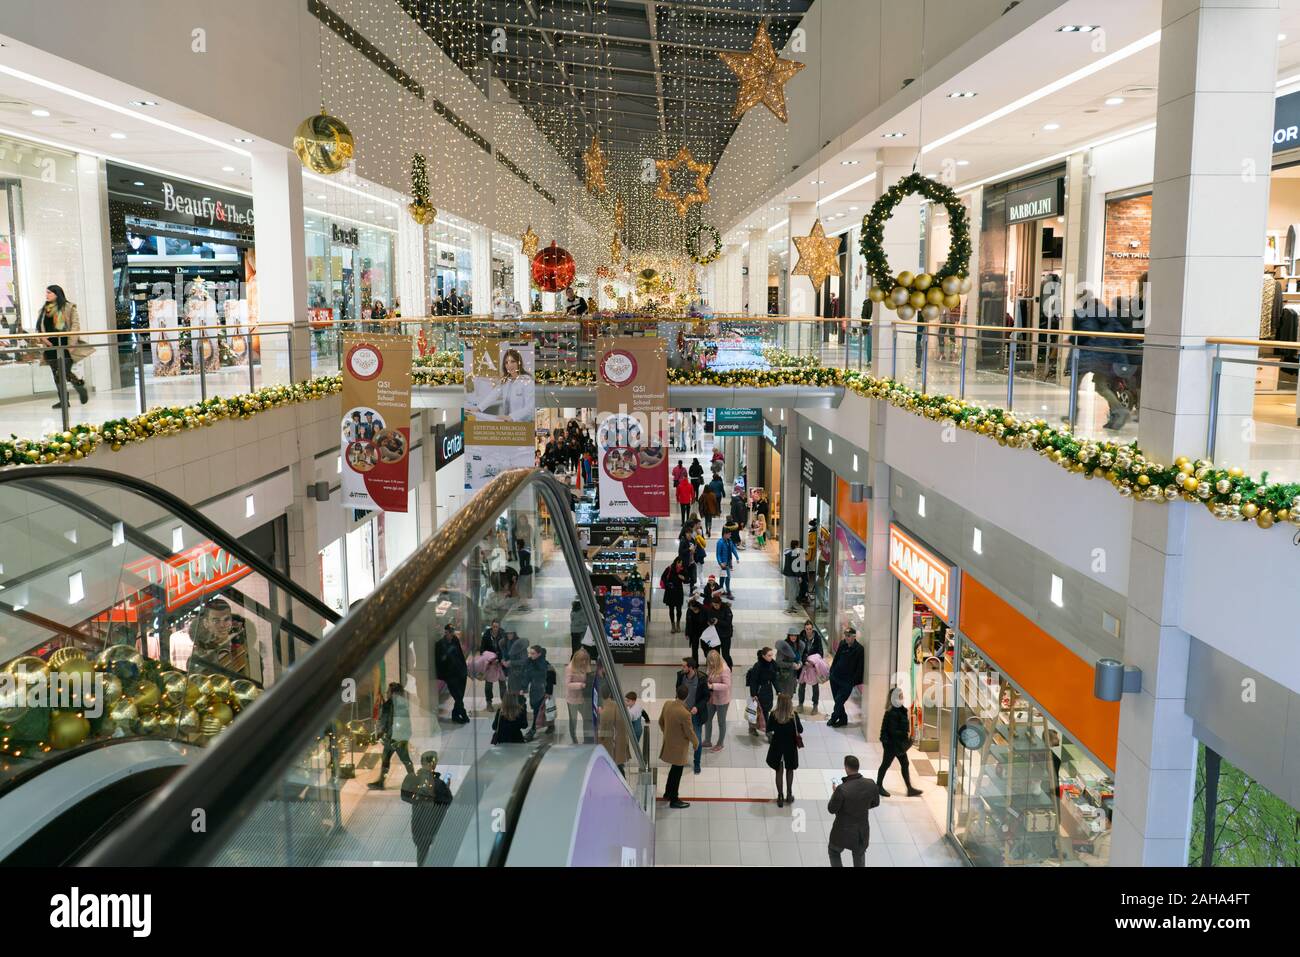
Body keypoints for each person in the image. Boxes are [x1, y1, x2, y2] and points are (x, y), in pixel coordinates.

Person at [39, 285, 90, 408]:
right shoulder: (44, 309)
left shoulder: (69, 307)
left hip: (66, 346)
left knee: (63, 372)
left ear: (57, 294)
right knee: (56, 373)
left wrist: (71, 344)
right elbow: (39, 327)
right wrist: (42, 338)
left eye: (49, 293)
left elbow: (75, 326)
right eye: (46, 293)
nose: (47, 295)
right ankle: (63, 400)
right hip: (50, 347)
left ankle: (79, 385)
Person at [401, 750, 454, 865]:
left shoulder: (412, 779)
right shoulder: (439, 784)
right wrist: (447, 788)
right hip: (434, 824)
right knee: (438, 854)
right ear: (434, 764)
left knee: (421, 853)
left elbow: (405, 796)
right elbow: (449, 801)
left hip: (418, 824)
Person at [827, 754, 881, 867]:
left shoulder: (842, 789)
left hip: (842, 830)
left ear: (846, 768)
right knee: (859, 854)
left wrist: (835, 794)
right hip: (861, 832)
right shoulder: (870, 783)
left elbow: (832, 809)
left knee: (834, 851)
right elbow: (876, 803)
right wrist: (862, 806)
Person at [878, 687, 923, 797]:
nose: (903, 697)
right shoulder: (893, 712)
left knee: (904, 763)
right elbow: (894, 732)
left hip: (897, 744)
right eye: (901, 696)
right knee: (886, 764)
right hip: (892, 744)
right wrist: (907, 738)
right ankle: (878, 786)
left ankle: (909, 788)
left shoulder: (899, 709)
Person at [368, 682, 414, 789]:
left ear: (393, 693)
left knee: (403, 759)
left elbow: (384, 721)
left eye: (388, 691)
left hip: (394, 737)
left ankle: (413, 780)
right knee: (390, 758)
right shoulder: (403, 703)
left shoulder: (389, 704)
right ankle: (381, 781)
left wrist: (380, 733)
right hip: (398, 737)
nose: (387, 693)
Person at [658, 684, 697, 809]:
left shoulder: (667, 704)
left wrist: (667, 733)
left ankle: (668, 793)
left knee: (673, 770)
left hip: (669, 743)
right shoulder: (684, 714)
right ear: (687, 696)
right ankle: (674, 799)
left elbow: (660, 722)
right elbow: (689, 732)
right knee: (677, 773)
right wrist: (696, 743)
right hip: (679, 748)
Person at [766, 693, 803, 808]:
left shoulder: (773, 715)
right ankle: (789, 794)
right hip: (790, 747)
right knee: (790, 770)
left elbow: (768, 729)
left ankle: (780, 796)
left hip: (777, 746)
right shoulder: (794, 716)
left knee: (779, 771)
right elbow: (800, 730)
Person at [676, 657, 710, 774]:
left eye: (684, 666)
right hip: (683, 712)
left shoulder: (701, 678)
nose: (682, 668)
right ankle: (681, 759)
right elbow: (677, 690)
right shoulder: (680, 676)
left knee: (697, 740)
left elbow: (706, 697)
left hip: (695, 714)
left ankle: (697, 763)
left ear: (690, 668)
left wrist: (697, 707)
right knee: (681, 738)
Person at [828, 625, 864, 728]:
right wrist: (832, 671)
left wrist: (853, 682)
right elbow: (837, 657)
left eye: (848, 636)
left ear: (854, 637)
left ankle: (834, 717)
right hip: (835, 677)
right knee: (837, 700)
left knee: (839, 700)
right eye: (845, 635)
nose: (846, 638)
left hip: (847, 682)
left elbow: (860, 668)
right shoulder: (843, 644)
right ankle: (843, 719)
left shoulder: (859, 649)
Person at [434, 625, 470, 724]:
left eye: (452, 632)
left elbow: (460, 655)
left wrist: (464, 669)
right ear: (446, 633)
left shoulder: (455, 640)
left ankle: (455, 714)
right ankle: (463, 713)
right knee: (457, 696)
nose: (451, 634)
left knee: (460, 695)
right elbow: (438, 661)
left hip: (460, 672)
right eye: (449, 632)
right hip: (450, 675)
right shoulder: (440, 644)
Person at [701, 649, 731, 753]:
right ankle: (707, 740)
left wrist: (712, 686)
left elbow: (727, 685)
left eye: (713, 661)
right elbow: (708, 675)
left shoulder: (725, 669)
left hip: (722, 700)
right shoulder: (710, 666)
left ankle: (720, 743)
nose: (711, 664)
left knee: (721, 722)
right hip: (711, 698)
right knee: (707, 719)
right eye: (709, 661)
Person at [520, 644, 553, 740]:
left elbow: (550, 679)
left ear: (539, 654)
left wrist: (548, 692)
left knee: (538, 711)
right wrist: (523, 687)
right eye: (529, 653)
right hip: (534, 690)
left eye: (533, 653)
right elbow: (527, 676)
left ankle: (533, 730)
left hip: (543, 690)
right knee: (541, 709)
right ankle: (549, 725)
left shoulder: (545, 664)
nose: (530, 655)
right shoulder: (529, 662)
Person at [564, 648, 595, 744]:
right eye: (582, 660)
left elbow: (588, 675)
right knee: (573, 720)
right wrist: (581, 685)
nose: (584, 662)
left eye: (586, 659)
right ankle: (574, 740)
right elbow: (567, 684)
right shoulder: (570, 668)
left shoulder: (585, 665)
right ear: (577, 659)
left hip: (583, 698)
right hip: (572, 698)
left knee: (587, 718)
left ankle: (588, 739)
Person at [597, 689, 631, 771]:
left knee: (614, 766)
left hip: (613, 743)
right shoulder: (621, 705)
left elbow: (603, 731)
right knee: (619, 766)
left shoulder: (608, 707)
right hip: (621, 741)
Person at [796, 619, 826, 713]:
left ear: (812, 629)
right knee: (801, 685)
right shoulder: (800, 638)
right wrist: (804, 661)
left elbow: (820, 652)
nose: (808, 631)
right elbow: (798, 652)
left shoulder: (817, 638)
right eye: (807, 629)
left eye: (810, 629)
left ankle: (815, 705)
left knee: (815, 686)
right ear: (804, 629)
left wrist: (813, 662)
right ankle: (800, 704)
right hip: (804, 665)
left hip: (813, 666)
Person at [479, 619, 509, 710]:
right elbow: (482, 650)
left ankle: (504, 702)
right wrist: (490, 659)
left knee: (502, 683)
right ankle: (489, 702)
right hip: (490, 663)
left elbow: (506, 649)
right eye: (494, 626)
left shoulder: (503, 635)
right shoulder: (487, 635)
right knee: (488, 684)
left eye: (497, 626)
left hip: (500, 663)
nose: (495, 628)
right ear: (491, 626)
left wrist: (499, 659)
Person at [746, 647, 777, 735]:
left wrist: (778, 690)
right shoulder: (758, 666)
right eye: (769, 655)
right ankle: (755, 728)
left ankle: (766, 728)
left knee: (766, 710)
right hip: (759, 691)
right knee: (757, 710)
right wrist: (753, 694)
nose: (771, 657)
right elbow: (753, 680)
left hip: (768, 690)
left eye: (772, 655)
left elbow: (774, 679)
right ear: (763, 656)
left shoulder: (772, 665)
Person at [660, 556, 687, 633]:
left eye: (681, 563)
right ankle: (673, 625)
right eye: (679, 563)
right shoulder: (669, 568)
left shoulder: (682, 570)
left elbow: (687, 578)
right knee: (671, 609)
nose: (680, 565)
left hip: (679, 591)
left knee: (679, 609)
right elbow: (663, 577)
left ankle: (678, 624)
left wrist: (683, 578)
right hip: (670, 592)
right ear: (676, 562)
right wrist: (668, 584)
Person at [781, 539, 807, 615]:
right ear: (796, 546)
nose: (799, 546)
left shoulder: (789, 552)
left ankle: (792, 605)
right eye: (798, 545)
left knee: (795, 590)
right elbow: (794, 567)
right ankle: (789, 608)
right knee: (793, 591)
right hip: (791, 575)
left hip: (790, 574)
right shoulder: (794, 553)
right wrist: (799, 576)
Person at [774, 629, 802, 697]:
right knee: (784, 697)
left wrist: (800, 664)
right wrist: (791, 665)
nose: (793, 637)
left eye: (795, 635)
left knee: (790, 696)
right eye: (791, 635)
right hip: (784, 676)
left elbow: (799, 659)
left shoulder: (798, 645)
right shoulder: (783, 647)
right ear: (788, 636)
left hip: (793, 676)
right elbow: (778, 662)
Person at [708, 593, 733, 668]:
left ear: (720, 603)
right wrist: (710, 621)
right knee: (716, 654)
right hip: (715, 635)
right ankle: (717, 669)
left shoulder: (726, 609)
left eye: (716, 605)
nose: (715, 607)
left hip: (725, 635)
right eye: (713, 605)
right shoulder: (711, 609)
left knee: (725, 654)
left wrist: (718, 622)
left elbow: (728, 623)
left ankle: (729, 668)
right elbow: (709, 617)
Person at [715, 527, 739, 598]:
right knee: (727, 577)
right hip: (723, 563)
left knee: (723, 577)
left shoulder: (729, 541)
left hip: (728, 562)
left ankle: (721, 590)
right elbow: (718, 554)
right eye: (729, 534)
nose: (730, 536)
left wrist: (737, 557)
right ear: (724, 534)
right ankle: (728, 591)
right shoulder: (720, 542)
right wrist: (720, 563)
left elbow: (733, 549)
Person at [683, 592, 707, 665]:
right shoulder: (689, 611)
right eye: (690, 608)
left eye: (693, 609)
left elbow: (707, 621)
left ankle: (709, 661)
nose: (692, 610)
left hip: (703, 631)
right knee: (694, 649)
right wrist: (687, 633)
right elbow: (688, 622)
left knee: (705, 648)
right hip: (694, 632)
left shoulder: (704, 610)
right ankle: (695, 665)